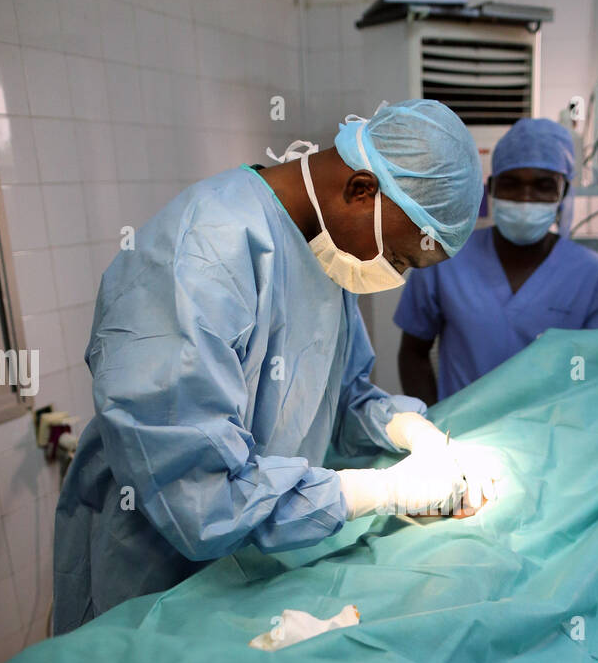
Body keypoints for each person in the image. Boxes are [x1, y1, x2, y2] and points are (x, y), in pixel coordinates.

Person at [53, 100, 499, 633]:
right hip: (154, 586)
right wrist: (381, 492)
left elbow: (338, 396)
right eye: (401, 259)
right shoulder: (200, 259)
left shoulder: (322, 248)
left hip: (251, 572)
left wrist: (410, 432)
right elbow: (200, 497)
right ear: (361, 191)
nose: (396, 275)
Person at [395, 117, 598, 403]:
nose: (525, 198)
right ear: (490, 189)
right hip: (461, 437)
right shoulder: (446, 261)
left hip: (555, 437)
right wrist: (431, 428)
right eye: (512, 184)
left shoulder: (590, 275)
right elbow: (413, 353)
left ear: (563, 192)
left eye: (542, 185)